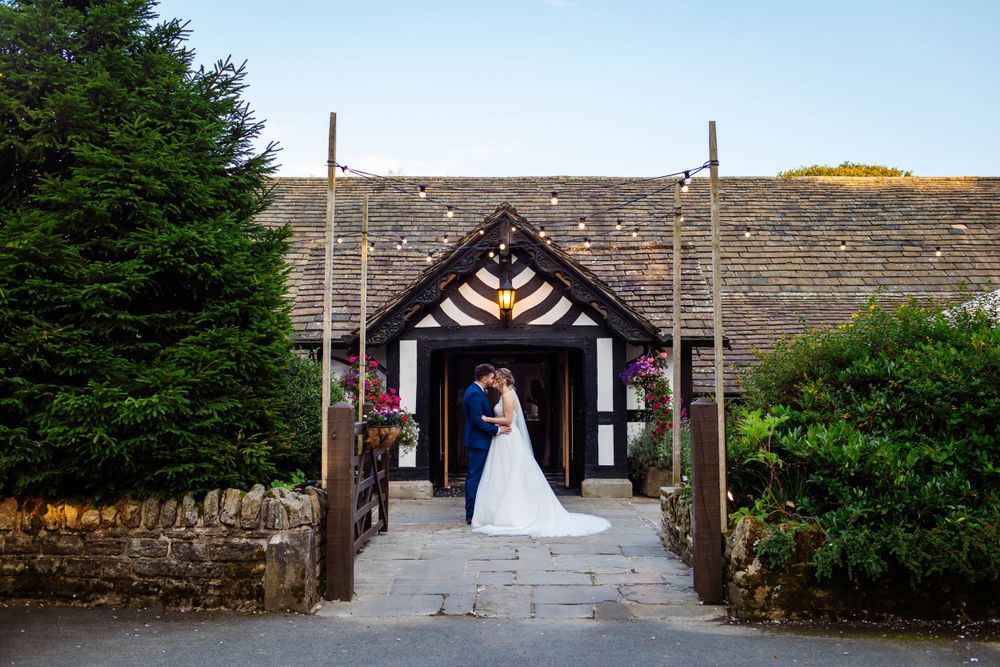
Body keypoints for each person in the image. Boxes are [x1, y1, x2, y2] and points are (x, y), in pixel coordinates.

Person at [471, 368, 610, 537]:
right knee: (503, 474)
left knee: (511, 473)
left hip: (508, 438)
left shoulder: (507, 395)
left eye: (496, 378)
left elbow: (508, 419)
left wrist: (487, 419)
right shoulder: (504, 395)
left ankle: (512, 513)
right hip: (502, 439)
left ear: (504, 380)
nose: (493, 381)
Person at [462, 363, 511, 525]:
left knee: (480, 476)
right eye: (491, 377)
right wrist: (497, 430)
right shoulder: (474, 393)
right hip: (478, 442)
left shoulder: (479, 391)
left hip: (481, 441)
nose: (493, 379)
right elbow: (477, 420)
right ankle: (471, 514)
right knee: (475, 477)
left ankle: (478, 511)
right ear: (484, 378)